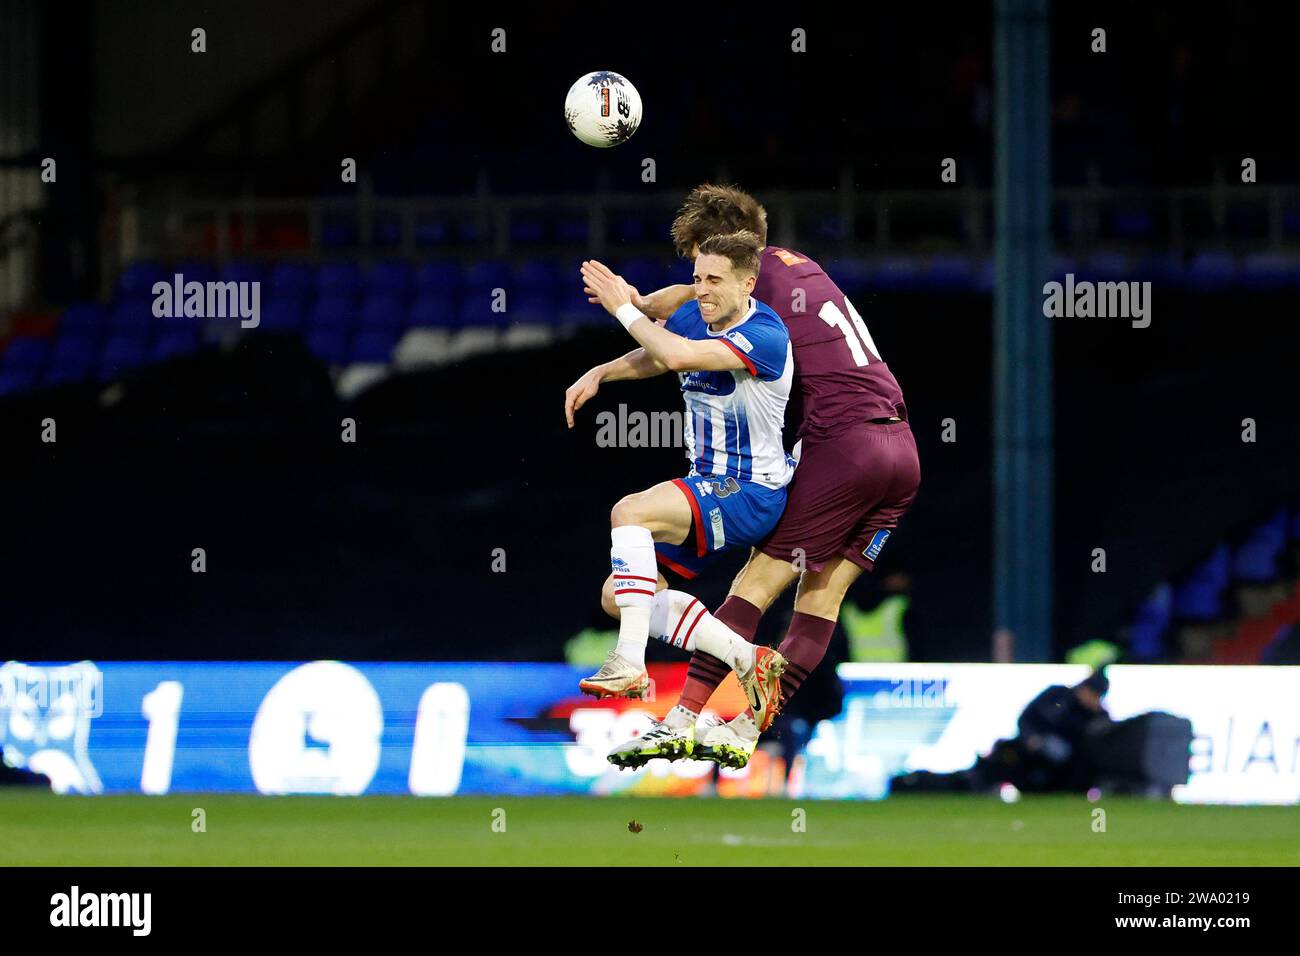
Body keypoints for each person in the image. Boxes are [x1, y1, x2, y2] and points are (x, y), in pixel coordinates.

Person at [592, 184, 921, 769]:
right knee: (823, 594)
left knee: (756, 584)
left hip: (842, 443)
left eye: (703, 267)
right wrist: (644, 310)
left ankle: (683, 717)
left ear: (727, 256)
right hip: (900, 447)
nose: (698, 282)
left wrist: (632, 305)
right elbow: (678, 311)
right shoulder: (797, 267)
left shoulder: (754, 298)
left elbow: (675, 333)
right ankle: (746, 730)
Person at [565, 231, 794, 744]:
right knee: (618, 597)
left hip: (750, 492)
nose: (702, 290)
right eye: (697, 279)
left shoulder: (766, 334)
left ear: (748, 283)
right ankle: (747, 659)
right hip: (707, 488)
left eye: (714, 280)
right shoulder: (698, 317)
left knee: (630, 512)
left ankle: (628, 661)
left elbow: (679, 355)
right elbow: (657, 355)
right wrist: (603, 371)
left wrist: (627, 310)